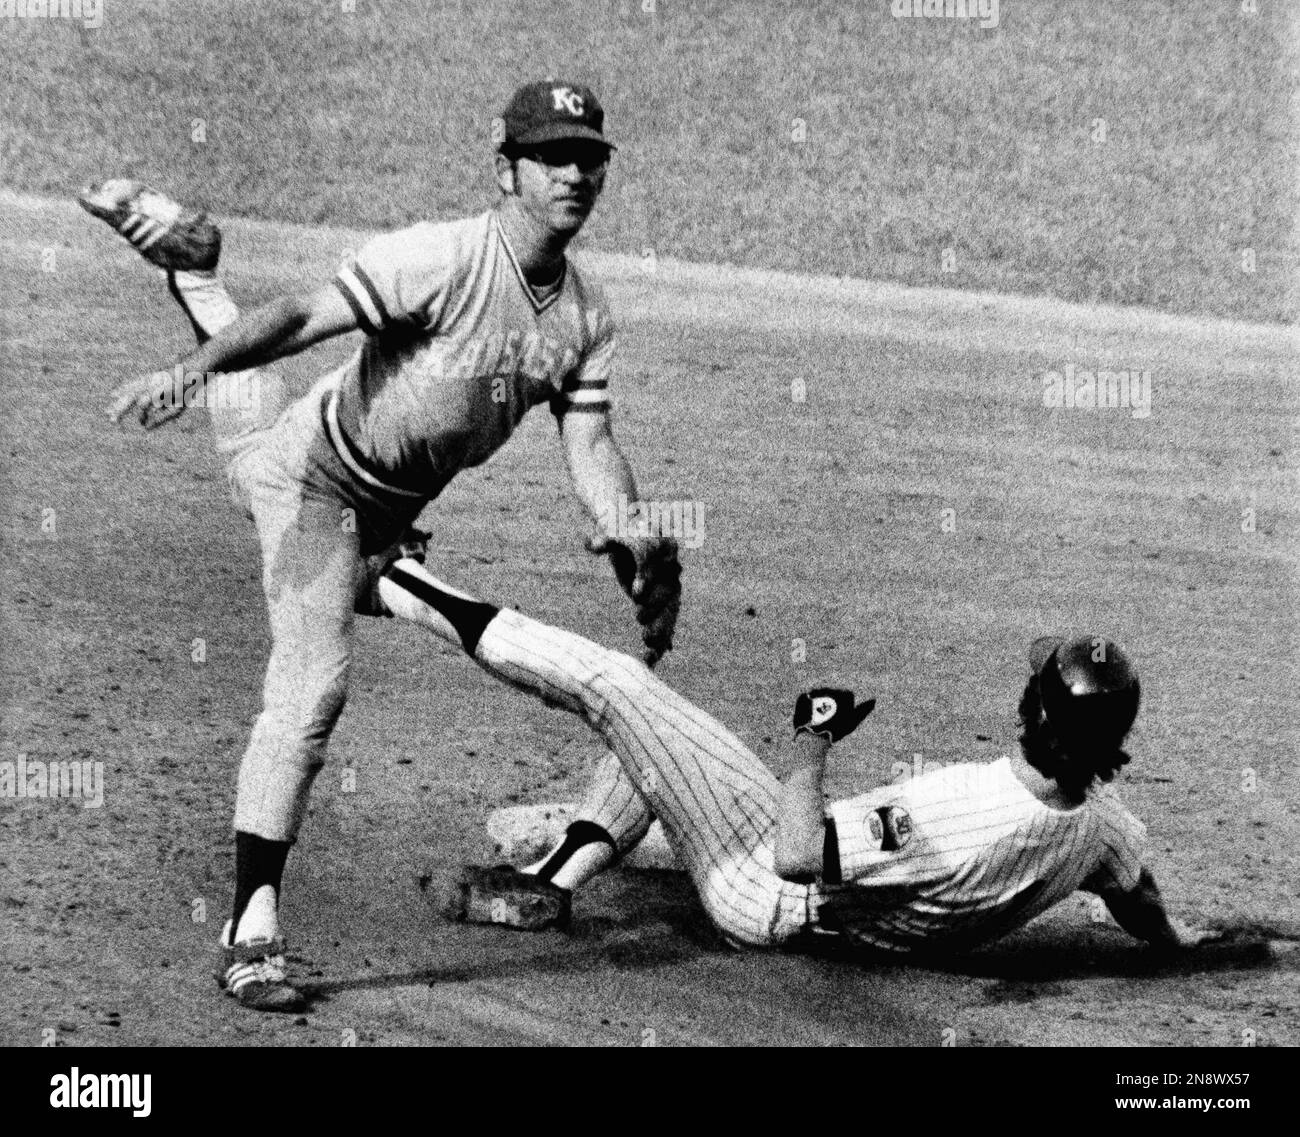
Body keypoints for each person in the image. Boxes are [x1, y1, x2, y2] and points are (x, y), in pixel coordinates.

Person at [82, 79, 682, 1012]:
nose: (574, 174)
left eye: (588, 158)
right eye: (551, 157)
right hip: (319, 486)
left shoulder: (585, 317)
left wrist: (630, 533)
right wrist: (190, 371)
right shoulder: (440, 257)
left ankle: (196, 271)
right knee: (312, 684)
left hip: (375, 501)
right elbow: (298, 317)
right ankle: (249, 931)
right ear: (506, 170)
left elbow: (593, 446)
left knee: (251, 444)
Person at [376, 559, 1213, 961]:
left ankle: (397, 582)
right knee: (663, 737)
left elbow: (797, 851)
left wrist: (815, 736)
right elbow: (1138, 897)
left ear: (1033, 709)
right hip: (850, 916)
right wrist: (1185, 945)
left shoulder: (960, 809)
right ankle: (551, 880)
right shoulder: (1102, 826)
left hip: (762, 892)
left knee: (621, 689)